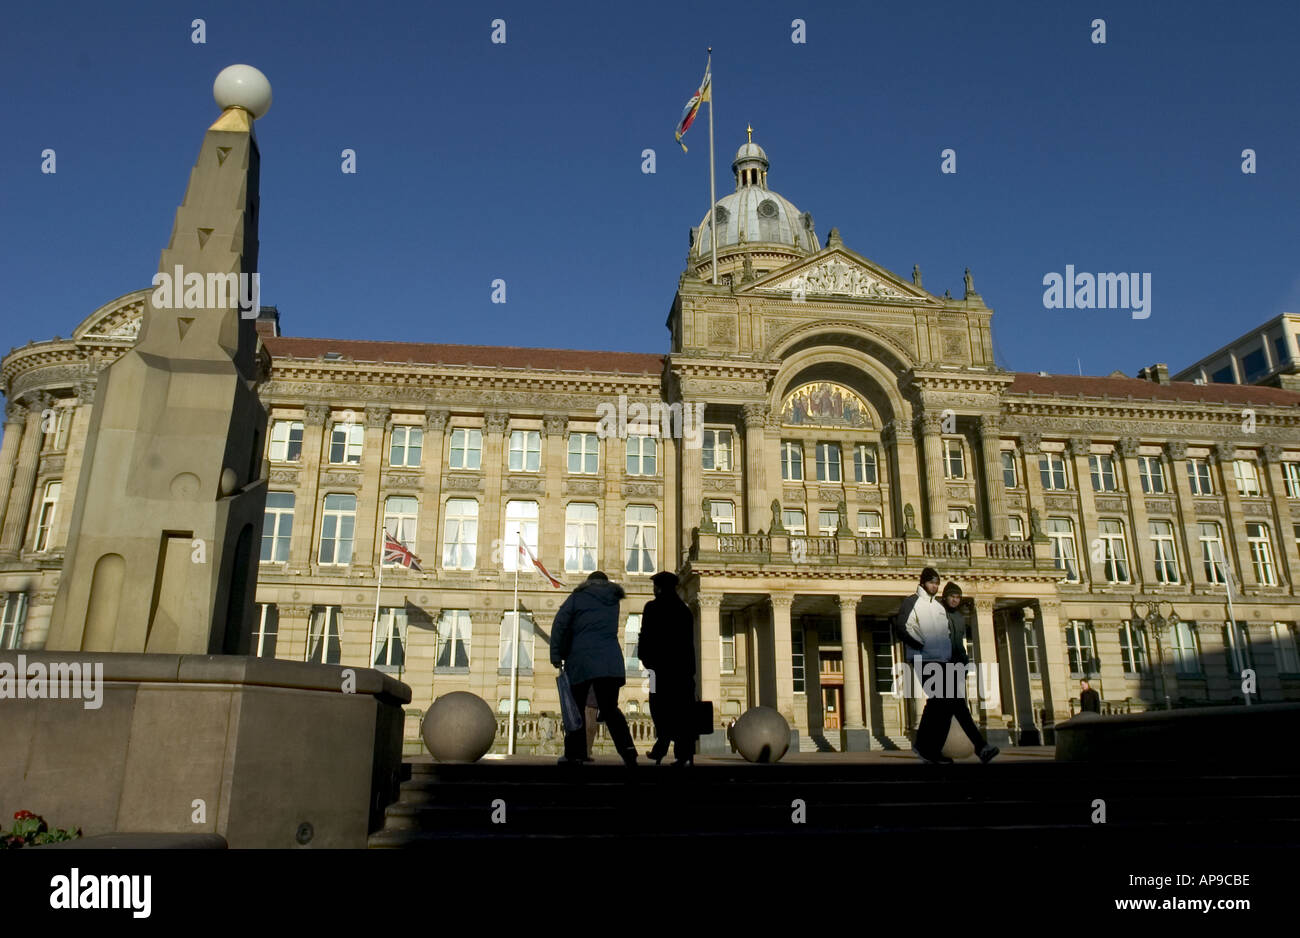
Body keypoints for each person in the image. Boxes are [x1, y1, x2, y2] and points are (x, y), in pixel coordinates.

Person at [550, 571, 638, 767]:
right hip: (610, 661)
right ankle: (628, 751)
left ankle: (575, 754)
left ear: (588, 583)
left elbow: (560, 624)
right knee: (610, 709)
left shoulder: (578, 597)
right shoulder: (613, 600)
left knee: (576, 710)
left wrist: (556, 654)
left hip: (581, 660)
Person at [925, 583, 999, 763]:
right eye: (952, 596)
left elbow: (959, 643)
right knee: (958, 709)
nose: (955, 599)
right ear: (945, 597)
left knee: (945, 711)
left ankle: (931, 751)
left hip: (955, 667)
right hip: (941, 667)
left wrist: (964, 662)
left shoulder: (958, 618)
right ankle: (981, 747)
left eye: (958, 597)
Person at [637, 571, 697, 765]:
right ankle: (683, 754)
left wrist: (645, 658)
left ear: (660, 587)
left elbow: (645, 636)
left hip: (657, 670)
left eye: (655, 586)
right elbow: (689, 643)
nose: (653, 589)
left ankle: (661, 747)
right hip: (682, 671)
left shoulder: (652, 608)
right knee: (682, 711)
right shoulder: (684, 610)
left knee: (658, 708)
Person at [895, 568, 951, 764]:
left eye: (937, 583)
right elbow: (901, 627)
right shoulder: (912, 602)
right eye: (931, 582)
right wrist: (919, 645)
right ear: (923, 582)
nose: (935, 586)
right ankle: (927, 747)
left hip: (942, 660)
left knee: (943, 704)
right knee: (939, 701)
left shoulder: (938, 607)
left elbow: (945, 635)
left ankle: (930, 747)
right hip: (923, 659)